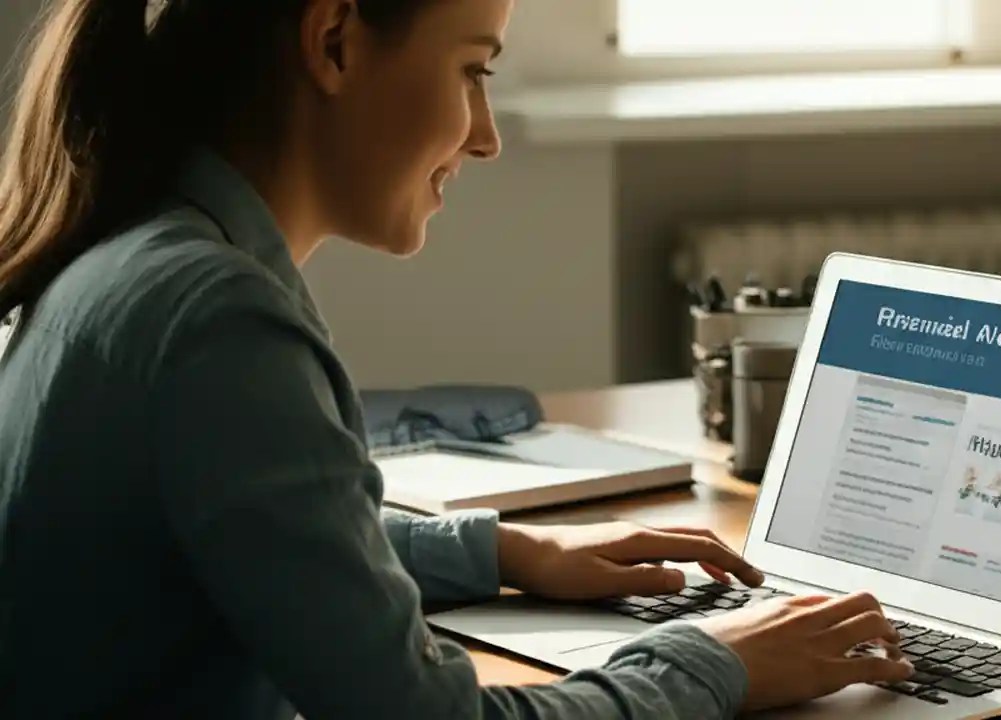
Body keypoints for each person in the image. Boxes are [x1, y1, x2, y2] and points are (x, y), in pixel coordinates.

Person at [0, 1, 912, 718]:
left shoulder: (127, 246)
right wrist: (715, 663)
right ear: (335, 41)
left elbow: (249, 536)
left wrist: (507, 551)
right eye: (472, 69)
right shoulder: (219, 322)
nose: (486, 133)